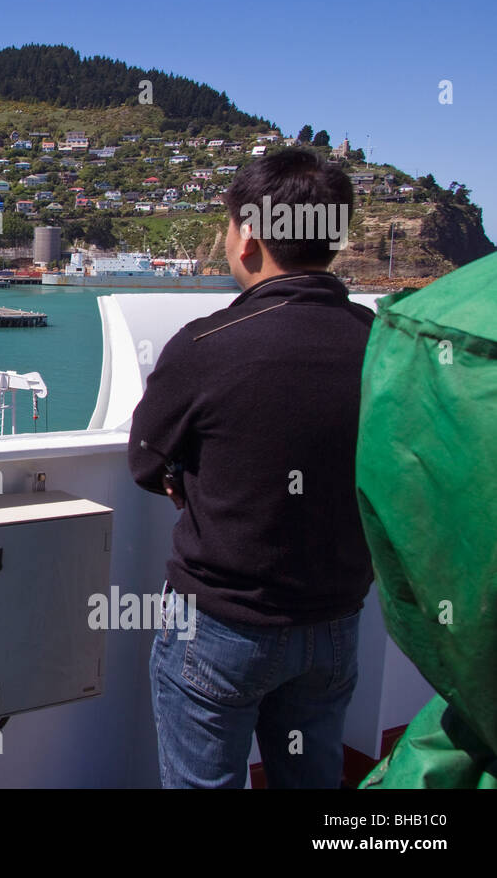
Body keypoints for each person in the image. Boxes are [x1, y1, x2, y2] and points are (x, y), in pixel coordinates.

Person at [129, 147, 374, 788]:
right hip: (336, 625)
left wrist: (184, 476)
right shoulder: (381, 345)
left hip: (220, 629)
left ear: (250, 241)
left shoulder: (206, 346)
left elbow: (143, 462)